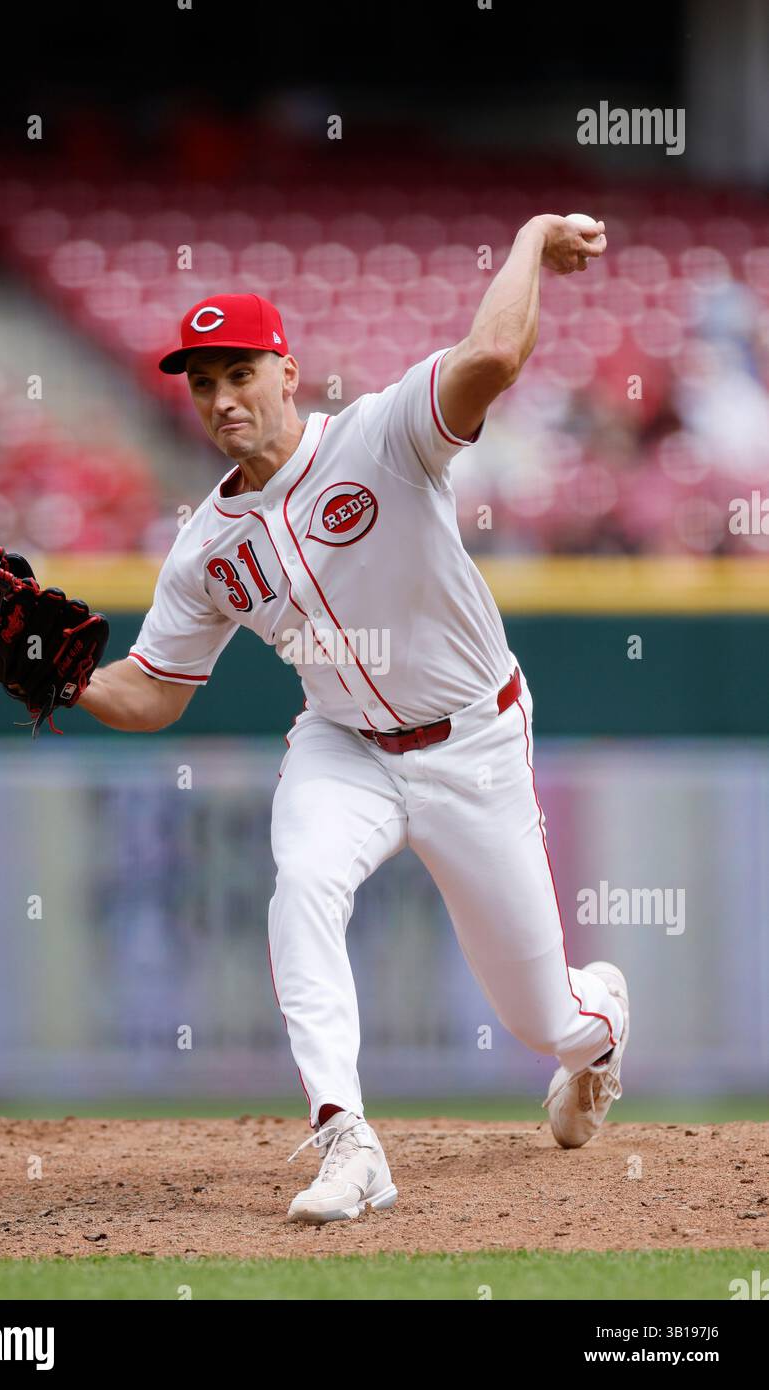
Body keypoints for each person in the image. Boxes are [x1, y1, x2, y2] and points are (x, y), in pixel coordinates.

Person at [78, 212, 630, 1225]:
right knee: (301, 884)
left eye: (238, 370)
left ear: (286, 371)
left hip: (471, 739)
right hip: (340, 746)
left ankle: (599, 1026)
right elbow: (154, 692)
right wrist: (62, 675)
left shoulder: (380, 435)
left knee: (541, 1014)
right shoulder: (204, 546)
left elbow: (496, 351)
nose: (219, 396)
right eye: (201, 381)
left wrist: (527, 238)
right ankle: (347, 1138)